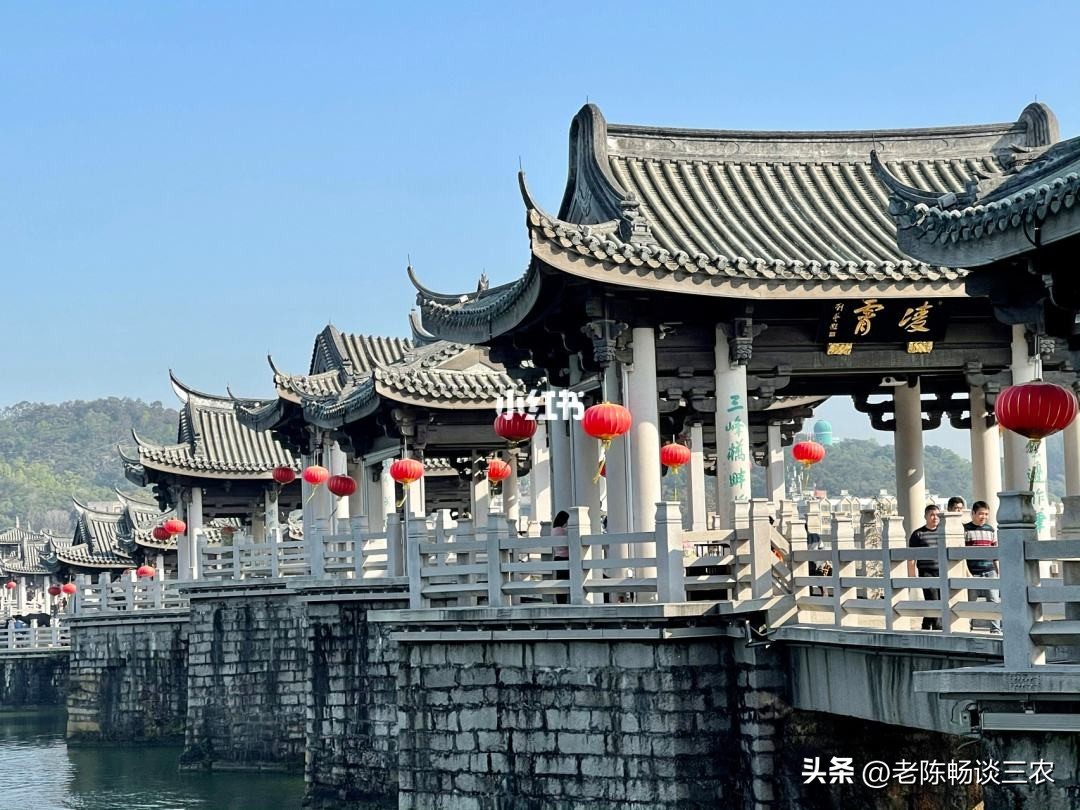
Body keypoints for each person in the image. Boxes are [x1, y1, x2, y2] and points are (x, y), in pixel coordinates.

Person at [964, 500, 1001, 633]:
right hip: (972, 570)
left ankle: (995, 629)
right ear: (973, 513)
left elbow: (995, 551)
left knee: (994, 600)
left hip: (989, 569)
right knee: (970, 603)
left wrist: (998, 571)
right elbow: (961, 554)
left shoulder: (990, 529)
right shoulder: (965, 529)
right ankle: (967, 628)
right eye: (981, 514)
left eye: (986, 514)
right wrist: (967, 572)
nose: (983, 517)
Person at [908, 504, 943, 630]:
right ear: (926, 516)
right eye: (932, 515)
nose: (935, 518)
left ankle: (926, 625)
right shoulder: (918, 534)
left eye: (937, 515)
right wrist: (912, 577)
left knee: (940, 600)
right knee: (933, 600)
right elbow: (911, 557)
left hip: (942, 570)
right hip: (926, 571)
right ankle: (938, 627)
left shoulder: (942, 532)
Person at [552, 511, 570, 604]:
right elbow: (568, 544)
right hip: (565, 557)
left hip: (557, 557)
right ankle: (565, 601)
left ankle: (560, 602)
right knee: (566, 581)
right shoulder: (562, 531)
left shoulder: (554, 530)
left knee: (560, 582)